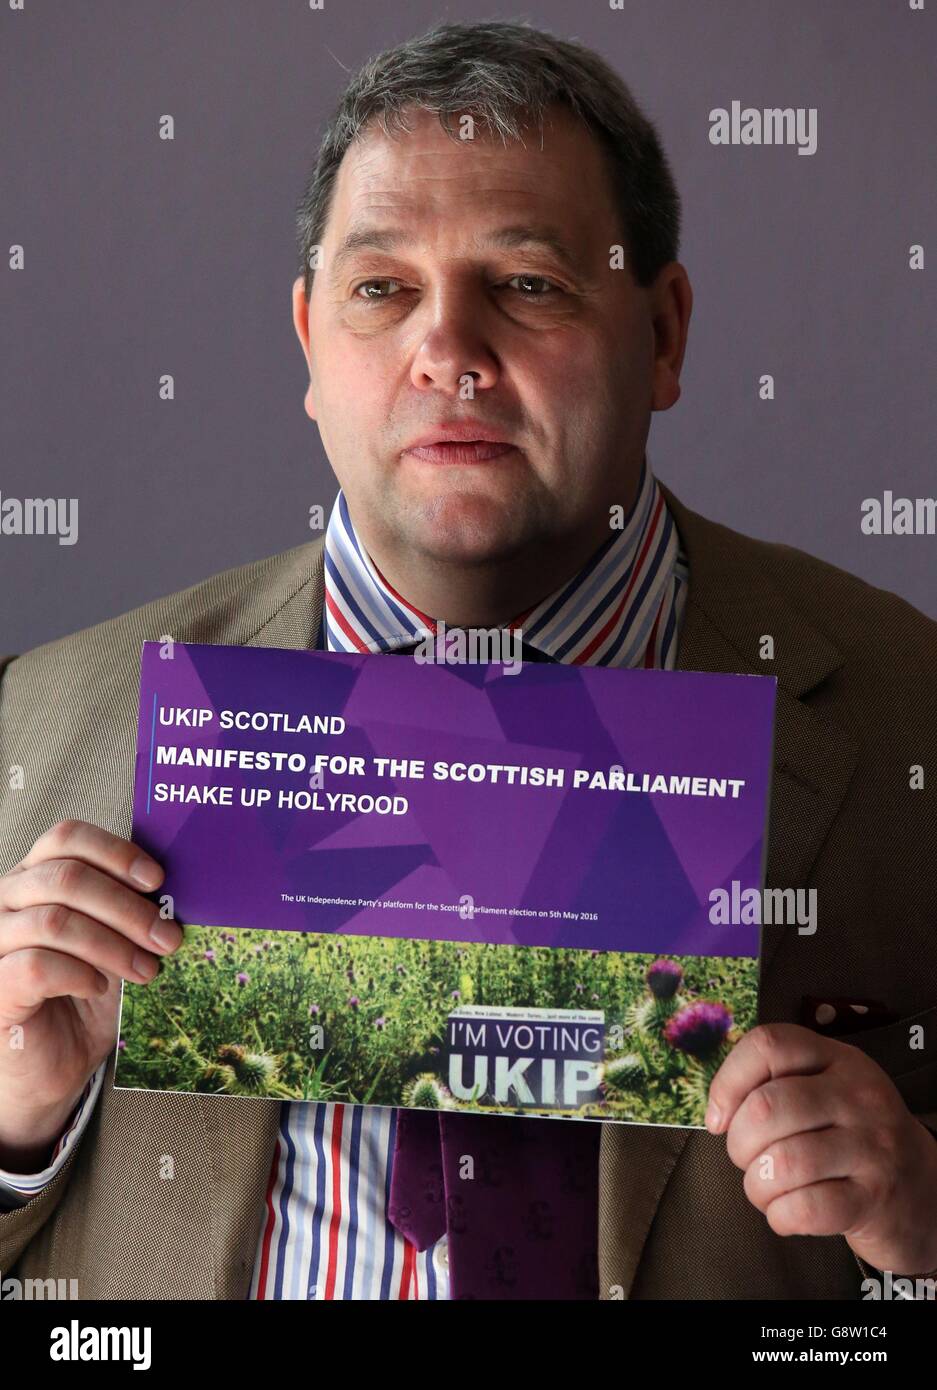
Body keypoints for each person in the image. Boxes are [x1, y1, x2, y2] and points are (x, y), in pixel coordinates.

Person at [1, 19, 935, 1301]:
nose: (449, 349)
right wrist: (13, 1133)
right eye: (381, 289)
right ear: (309, 344)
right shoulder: (40, 726)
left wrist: (925, 1218)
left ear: (663, 334)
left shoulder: (912, 717)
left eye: (529, 283)